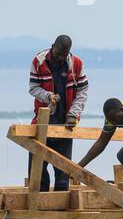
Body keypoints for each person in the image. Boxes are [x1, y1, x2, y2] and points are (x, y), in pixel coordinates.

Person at [26, 34, 88, 191]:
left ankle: (60, 205)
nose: (60, 58)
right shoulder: (39, 61)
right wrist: (48, 96)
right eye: (58, 54)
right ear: (52, 46)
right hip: (43, 121)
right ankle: (39, 204)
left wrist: (73, 114)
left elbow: (82, 91)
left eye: (63, 55)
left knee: (63, 172)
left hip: (64, 123)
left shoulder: (76, 64)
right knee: (37, 170)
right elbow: (33, 88)